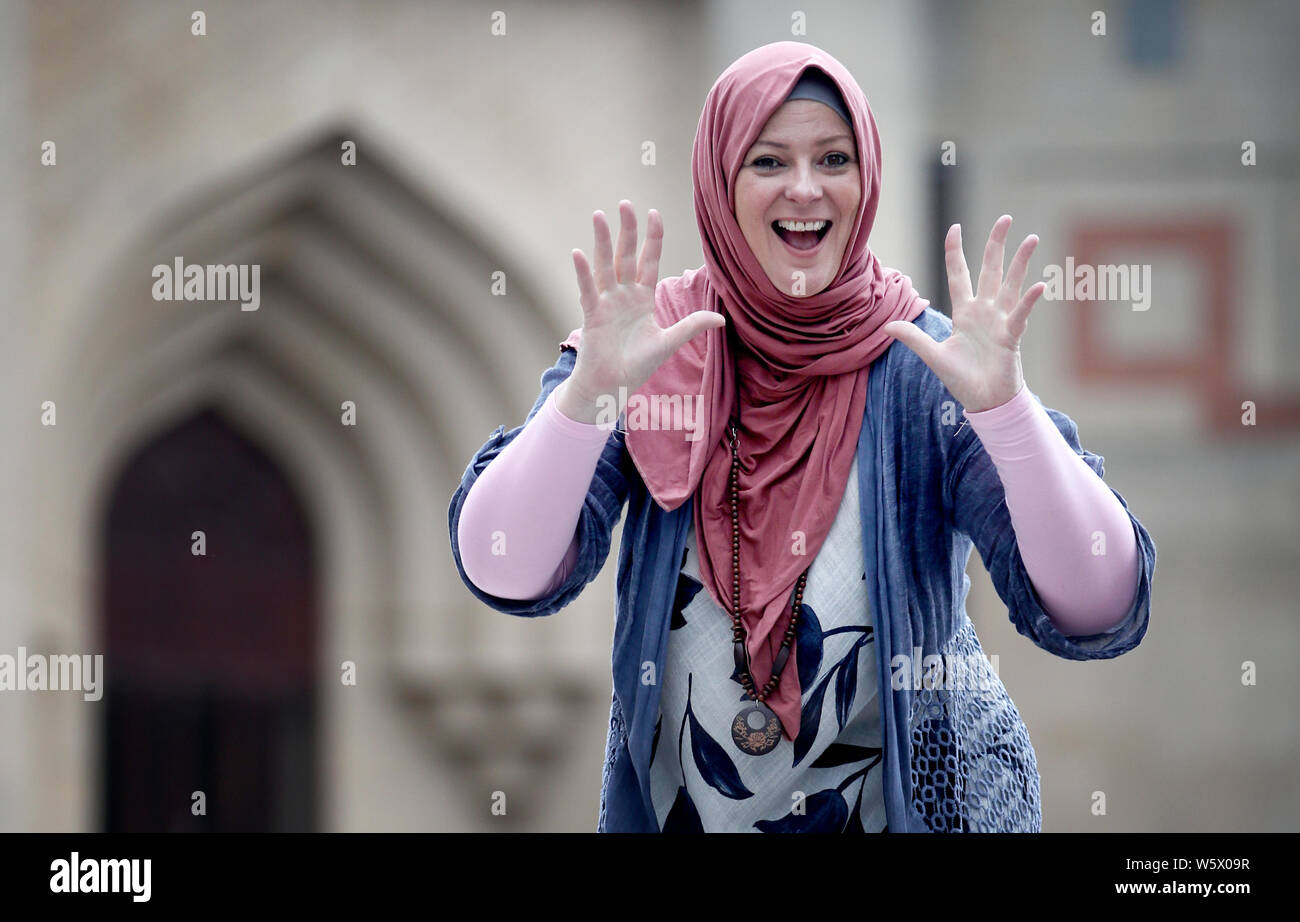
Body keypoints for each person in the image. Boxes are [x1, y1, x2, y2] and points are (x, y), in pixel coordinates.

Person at [447, 41, 1155, 833]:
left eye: (833, 157)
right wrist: (587, 398)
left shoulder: (927, 367)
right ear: (720, 182)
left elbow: (1100, 603)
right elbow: (503, 566)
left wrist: (1009, 415)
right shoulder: (650, 350)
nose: (806, 188)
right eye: (768, 161)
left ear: (868, 176)